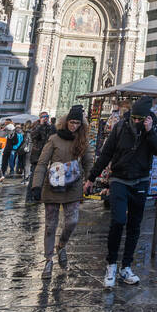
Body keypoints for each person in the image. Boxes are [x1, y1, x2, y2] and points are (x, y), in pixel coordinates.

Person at [85, 96, 157, 288]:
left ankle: (126, 267)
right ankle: (111, 264)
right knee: (118, 220)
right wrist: (91, 177)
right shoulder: (120, 127)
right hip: (119, 179)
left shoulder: (154, 127)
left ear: (147, 117)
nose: (136, 121)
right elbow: (106, 154)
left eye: (140, 119)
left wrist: (149, 132)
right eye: (134, 118)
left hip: (141, 181)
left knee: (134, 225)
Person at [33, 106, 92, 277]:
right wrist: (36, 186)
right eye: (72, 122)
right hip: (52, 185)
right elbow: (42, 163)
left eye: (77, 123)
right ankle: (49, 260)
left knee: (72, 221)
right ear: (65, 122)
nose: (74, 126)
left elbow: (88, 162)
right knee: (50, 225)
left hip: (73, 186)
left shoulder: (82, 140)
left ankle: (62, 245)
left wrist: (90, 180)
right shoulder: (53, 139)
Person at [25, 112, 55, 201]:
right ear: (40, 118)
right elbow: (33, 136)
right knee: (34, 177)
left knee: (43, 178)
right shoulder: (36, 126)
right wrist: (41, 125)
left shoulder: (50, 127)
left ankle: (38, 196)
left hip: (46, 155)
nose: (46, 118)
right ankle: (29, 197)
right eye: (44, 117)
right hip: (36, 156)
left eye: (47, 117)